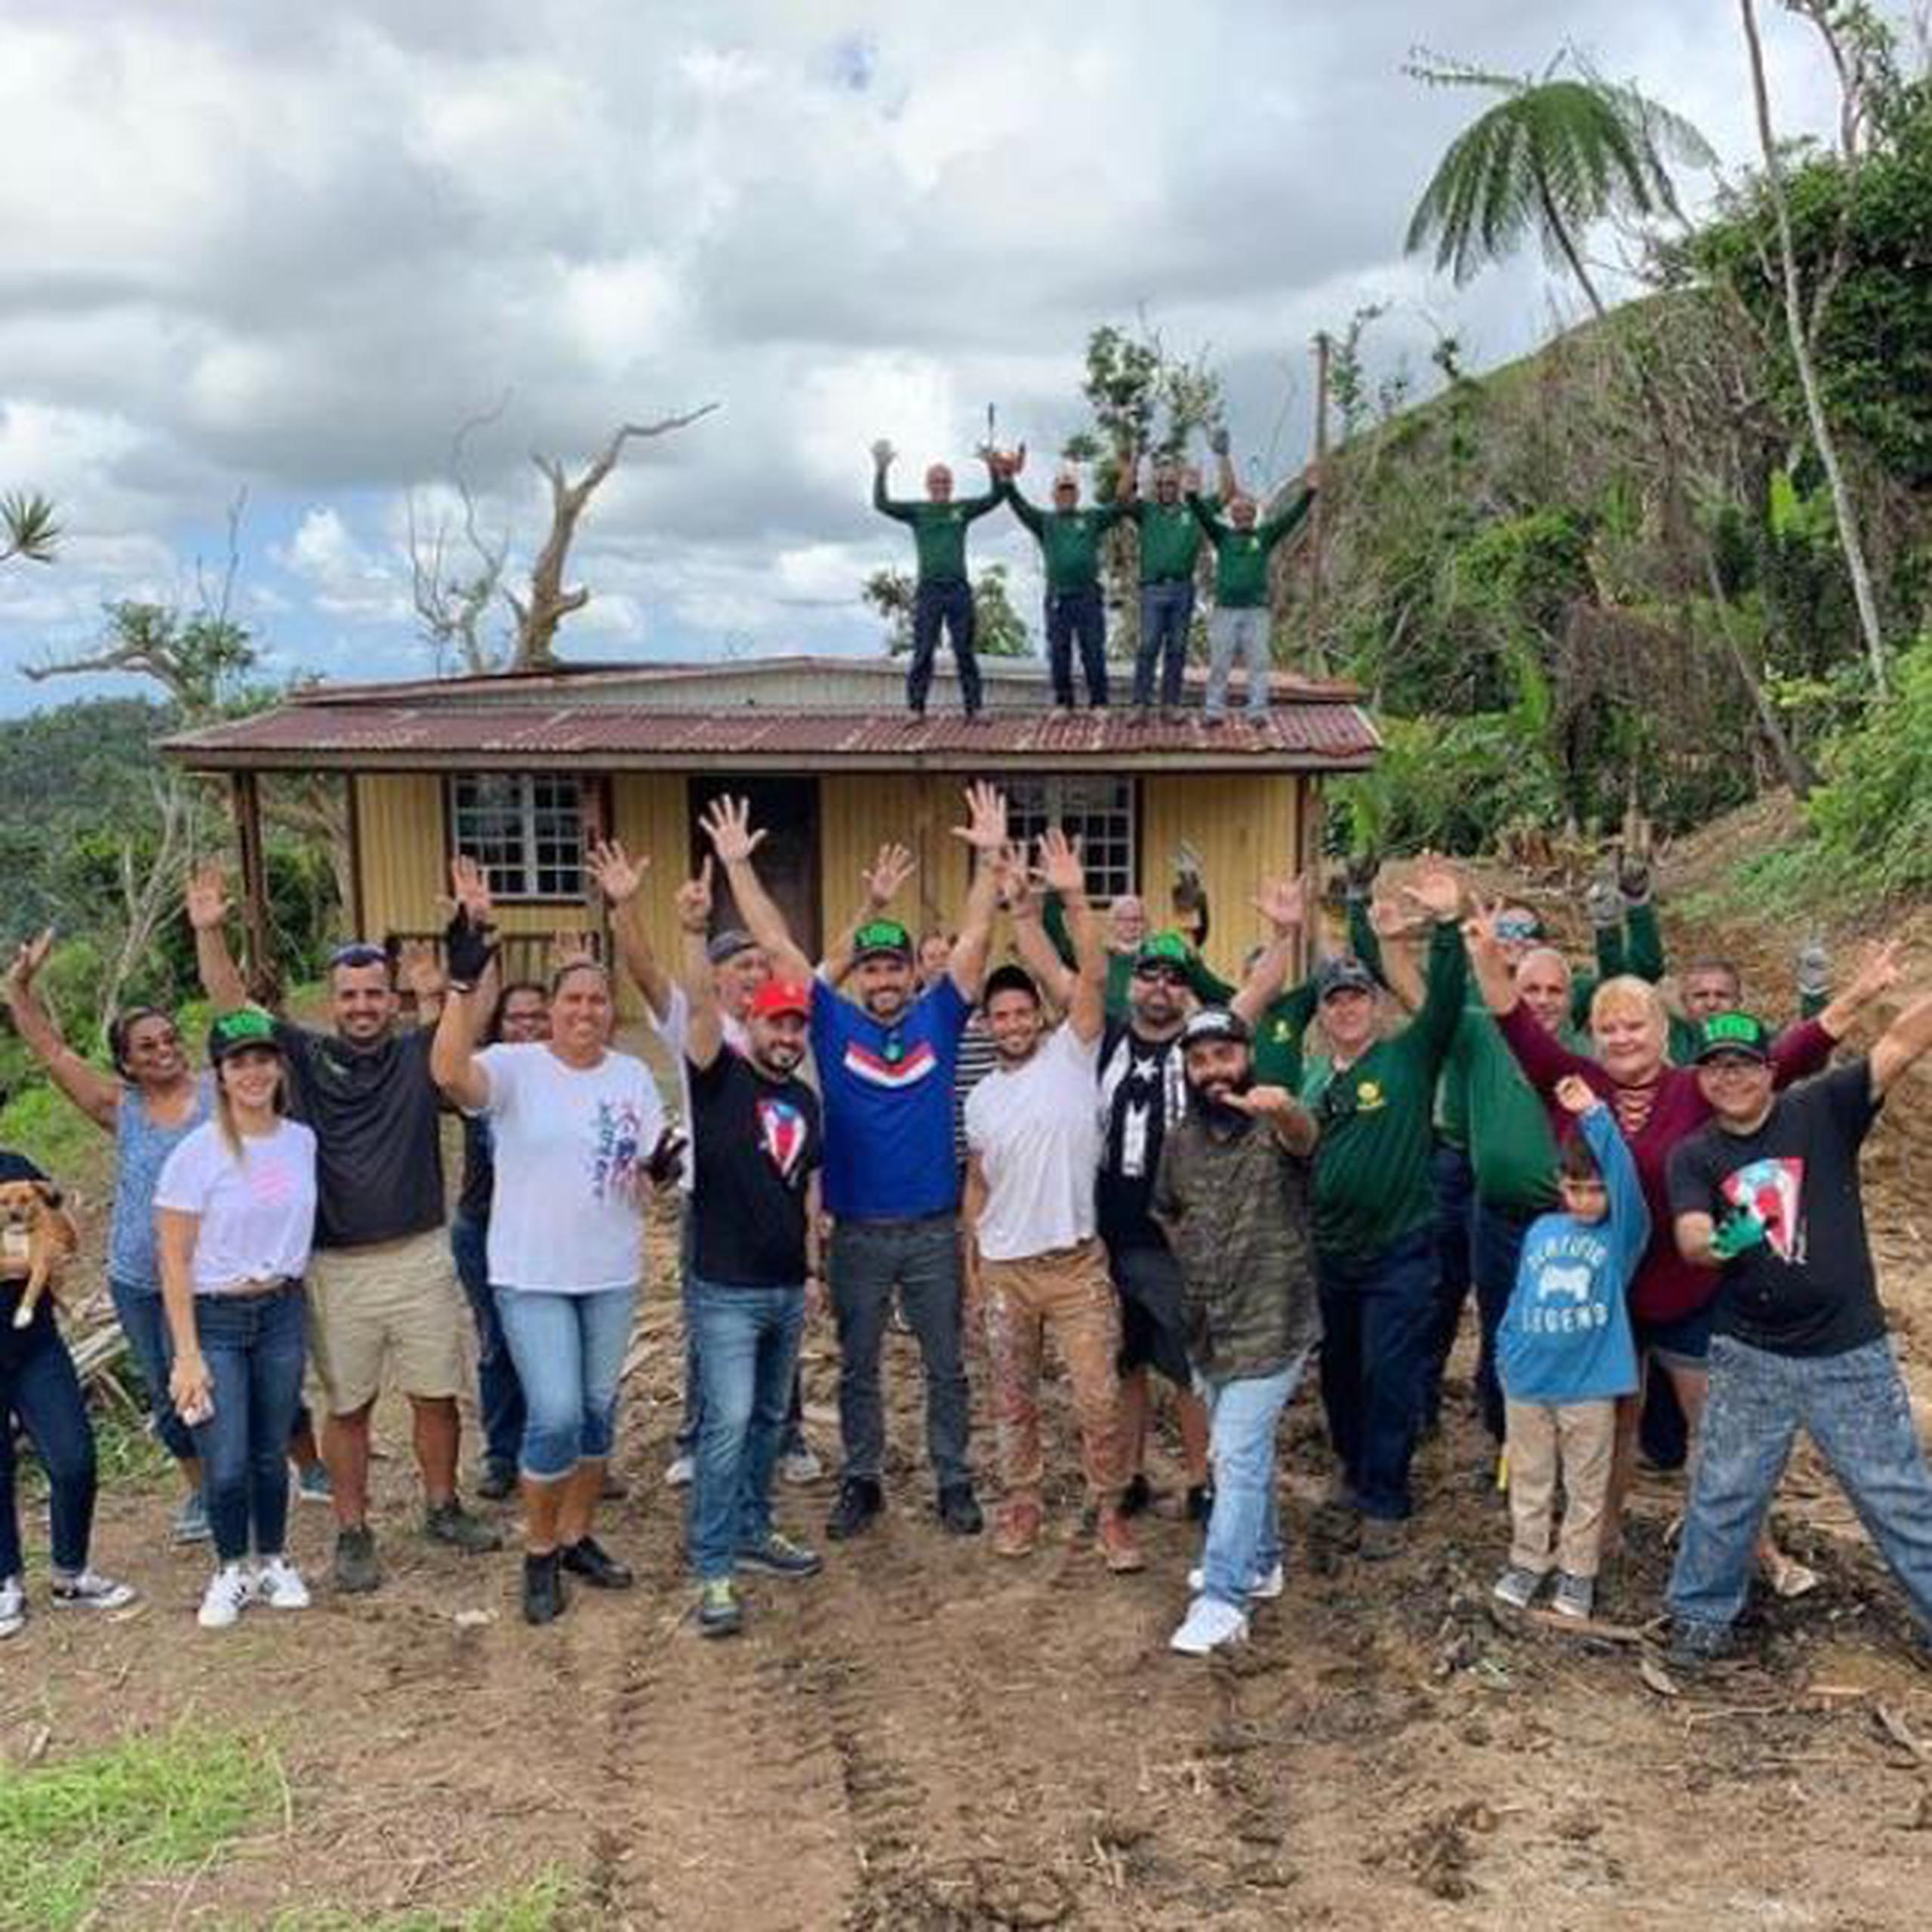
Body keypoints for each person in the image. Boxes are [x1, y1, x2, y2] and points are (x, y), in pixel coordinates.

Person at [1472, 922, 1895, 1564]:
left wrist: (1859, 994)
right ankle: (1598, 1536)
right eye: (1609, 1027)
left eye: (1635, 1026)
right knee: (1610, 1424)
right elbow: (1514, 1023)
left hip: (1690, 1287)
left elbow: (1788, 1057)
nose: (1621, 1038)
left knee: (1714, 1426)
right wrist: (1480, 949)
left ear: (1662, 1032)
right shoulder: (1573, 1084)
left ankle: (1750, 1546)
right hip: (1606, 1294)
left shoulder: (1694, 1088)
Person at [701, 785, 1008, 1540]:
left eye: (893, 970)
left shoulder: (940, 1011)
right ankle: (862, 1479)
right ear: (855, 979)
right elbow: (776, 946)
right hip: (858, 1233)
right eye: (869, 970)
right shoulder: (830, 1021)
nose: (881, 981)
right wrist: (739, 868)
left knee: (946, 1365)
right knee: (860, 1365)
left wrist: (990, 857)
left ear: (911, 975)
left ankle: (954, 1479)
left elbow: (973, 939)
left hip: (935, 1230)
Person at [190, 863, 501, 1594]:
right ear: (330, 1003)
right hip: (334, 1266)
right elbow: (232, 1005)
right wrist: (209, 931)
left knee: (435, 1395)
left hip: (421, 1253)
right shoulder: (300, 1055)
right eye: (349, 996)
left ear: (393, 1000)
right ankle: (353, 1531)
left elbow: (471, 1006)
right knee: (349, 1406)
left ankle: (441, 1503)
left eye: (374, 994)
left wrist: (476, 933)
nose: (363, 1006)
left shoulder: (418, 1054)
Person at [430, 860, 679, 1624]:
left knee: (599, 1410)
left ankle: (577, 1535)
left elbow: (650, 1154)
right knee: (557, 1412)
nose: (585, 1010)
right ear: (553, 1007)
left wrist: (661, 1169)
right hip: (531, 1271)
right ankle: (538, 1549)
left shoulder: (631, 1074)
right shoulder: (515, 1068)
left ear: (610, 1010)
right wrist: (460, 985)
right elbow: (447, 1072)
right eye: (572, 998)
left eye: (597, 999)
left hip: (607, 1268)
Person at [1666, 992, 1932, 1668]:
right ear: (1702, 1076)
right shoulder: (1695, 1154)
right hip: (1750, 1354)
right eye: (1716, 1067)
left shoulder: (1822, 1109)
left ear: (1769, 1069)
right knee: (1726, 1489)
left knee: (1896, 1493)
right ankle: (1698, 1619)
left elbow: (1900, 1045)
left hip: (1850, 1354)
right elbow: (1691, 1235)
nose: (1730, 1078)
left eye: (1744, 1064)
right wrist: (1719, 1244)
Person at [963, 831, 1140, 1571]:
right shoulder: (978, 1100)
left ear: (1038, 1014)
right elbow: (977, 1184)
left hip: (1075, 1268)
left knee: (1098, 1398)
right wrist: (972, 1266)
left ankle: (1108, 1511)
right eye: (997, 1016)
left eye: (1020, 1012)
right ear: (986, 1025)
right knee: (1012, 1402)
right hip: (1005, 1270)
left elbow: (1092, 975)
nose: (1010, 1025)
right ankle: (1023, 1499)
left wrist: (1069, 898)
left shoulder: (1075, 1052)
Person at [673, 860, 826, 1638]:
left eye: (797, 1025)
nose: (787, 1035)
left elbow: (802, 1187)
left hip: (783, 1288)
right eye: (775, 1022)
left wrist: (810, 1268)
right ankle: (712, 1568)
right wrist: (697, 932)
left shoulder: (802, 1098)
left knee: (769, 1416)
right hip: (725, 1288)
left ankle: (754, 1527)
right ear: (752, 1024)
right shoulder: (717, 1075)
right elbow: (698, 1004)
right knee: (726, 1420)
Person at [1301, 859, 1467, 1558]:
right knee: (1338, 1370)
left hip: (1401, 1249)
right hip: (1332, 1253)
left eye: (1357, 999)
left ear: (1375, 1005)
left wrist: (1450, 927)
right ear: (1322, 1012)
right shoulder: (1312, 1077)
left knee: (1388, 1369)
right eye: (1334, 1001)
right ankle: (1352, 1469)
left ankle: (1387, 1496)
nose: (1347, 1010)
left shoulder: (1408, 1057)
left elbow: (1447, 1003)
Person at [1153, 1009, 1320, 1655]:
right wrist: (1201, 1261)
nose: (1213, 1071)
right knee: (1244, 1457)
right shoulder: (1180, 1142)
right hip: (1208, 1327)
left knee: (1236, 1457)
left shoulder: (1275, 1129)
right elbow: (1168, 1214)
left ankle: (1223, 1598)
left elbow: (1304, 1136)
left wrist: (1280, 1110)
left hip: (1273, 1324)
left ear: (1247, 1057)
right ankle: (1263, 1560)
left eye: (1224, 1056)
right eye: (1199, 1061)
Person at [156, 1008, 320, 1628]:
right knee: (224, 1458)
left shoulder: (300, 1141)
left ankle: (274, 1557)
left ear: (279, 1066)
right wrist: (187, 1351)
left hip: (280, 1308)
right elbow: (172, 1255)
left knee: (269, 1448)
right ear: (219, 1075)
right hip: (217, 1314)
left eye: (262, 1059)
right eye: (238, 1063)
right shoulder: (196, 1154)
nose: (253, 1073)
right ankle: (230, 1566)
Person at [1491, 1076, 1647, 1622]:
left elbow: (1626, 1184)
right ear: (1560, 1185)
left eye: (1595, 1189)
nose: (1585, 1200)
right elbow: (1520, 1295)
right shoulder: (1541, 1230)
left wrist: (1596, 1117)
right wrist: (1505, 1354)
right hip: (1528, 1380)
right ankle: (1527, 1560)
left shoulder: (1621, 1236)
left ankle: (1578, 1570)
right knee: (1531, 1478)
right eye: (1575, 1188)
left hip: (1589, 1386)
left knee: (1586, 1482)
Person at [0, 1146, 137, 1641]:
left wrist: (54, 1238)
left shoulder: (15, 1165)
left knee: (74, 1459)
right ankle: (5, 1582)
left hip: (36, 1345)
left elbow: (64, 1239)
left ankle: (71, 1573)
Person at [450, 979, 548, 1502]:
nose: (528, 1026)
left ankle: (565, 1452)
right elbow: (452, 1051)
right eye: (516, 1017)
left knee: (557, 1344)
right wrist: (474, 962)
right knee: (499, 1344)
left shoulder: (564, 1073)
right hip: (484, 1226)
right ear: (498, 1023)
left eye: (538, 1016)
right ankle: (503, 1455)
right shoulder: (482, 1070)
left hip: (549, 1227)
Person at [872, 438, 1004, 718]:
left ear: (951, 485)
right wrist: (881, 469)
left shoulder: (962, 510)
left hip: (958, 589)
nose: (941, 485)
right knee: (923, 650)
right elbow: (881, 504)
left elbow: (995, 498)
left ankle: (975, 709)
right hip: (930, 590)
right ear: (928, 485)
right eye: (936, 481)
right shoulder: (919, 511)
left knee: (964, 651)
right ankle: (916, 709)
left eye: (945, 481)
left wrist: (993, 467)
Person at [1118, 441, 1237, 721]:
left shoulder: (1194, 510)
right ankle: (1140, 704)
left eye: (1171, 483)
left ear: (1179, 486)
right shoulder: (1147, 512)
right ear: (1156, 488)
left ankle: (1170, 705)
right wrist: (1135, 459)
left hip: (1182, 589)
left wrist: (1223, 456)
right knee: (1148, 645)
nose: (1166, 488)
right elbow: (1122, 495)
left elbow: (1228, 493)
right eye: (1161, 484)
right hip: (1153, 588)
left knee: (1177, 647)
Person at [1187, 467, 1315, 723]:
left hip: (1257, 611)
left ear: (1254, 513)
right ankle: (1214, 711)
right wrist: (1191, 495)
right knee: (1220, 663)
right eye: (1238, 512)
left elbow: (1291, 518)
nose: (1243, 515)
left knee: (1258, 663)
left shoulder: (1264, 535)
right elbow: (1202, 515)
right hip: (1225, 610)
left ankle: (1257, 711)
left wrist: (1310, 493)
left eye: (1247, 511)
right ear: (1232, 516)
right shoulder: (1222, 535)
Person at [999, 462, 1127, 709]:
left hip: (1088, 596)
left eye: (1070, 490)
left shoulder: (1091, 518)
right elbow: (1018, 505)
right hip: (1059, 597)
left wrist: (1127, 466)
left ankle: (1099, 703)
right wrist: (1007, 480)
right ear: (1054, 496)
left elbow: (1120, 505)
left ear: (1077, 495)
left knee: (1093, 651)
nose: (1066, 495)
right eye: (1061, 490)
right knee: (1059, 652)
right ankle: (1063, 703)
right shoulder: (1044, 521)